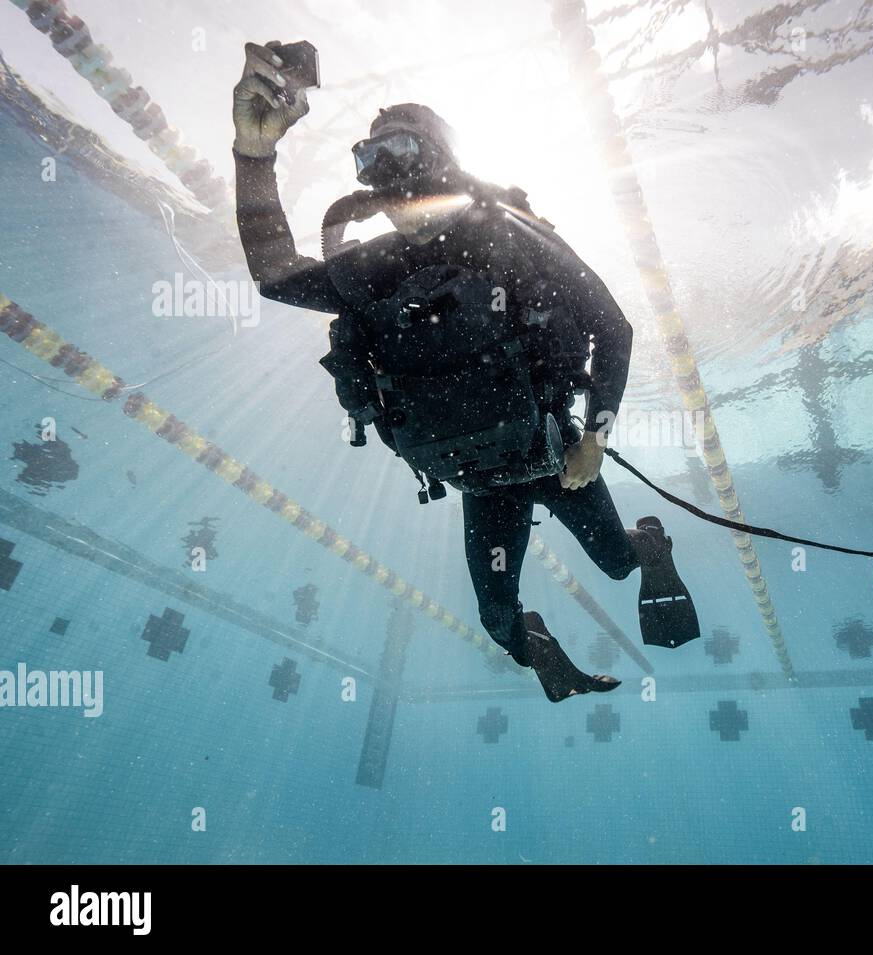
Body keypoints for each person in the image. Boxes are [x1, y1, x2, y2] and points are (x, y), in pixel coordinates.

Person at [230, 41, 698, 701]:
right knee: (497, 618)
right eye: (369, 159)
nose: (385, 174)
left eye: (402, 152)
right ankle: (542, 658)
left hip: (556, 459)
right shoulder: (372, 271)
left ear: (442, 161)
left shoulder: (513, 237)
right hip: (479, 481)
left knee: (620, 565)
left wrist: (594, 436)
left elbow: (610, 326)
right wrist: (255, 153)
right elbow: (274, 273)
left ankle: (647, 542)